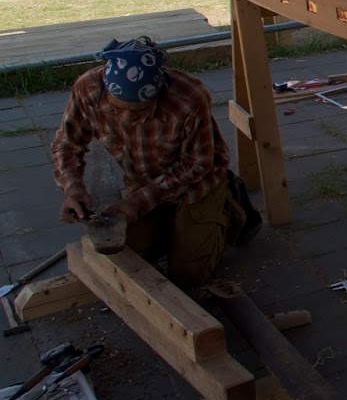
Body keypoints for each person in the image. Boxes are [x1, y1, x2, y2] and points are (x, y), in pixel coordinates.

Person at [50, 37, 261, 286]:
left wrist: (137, 202)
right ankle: (172, 228)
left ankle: (232, 203)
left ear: (157, 94)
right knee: (128, 252)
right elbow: (67, 144)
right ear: (106, 91)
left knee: (187, 275)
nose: (128, 118)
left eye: (139, 111)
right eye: (118, 110)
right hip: (143, 180)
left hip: (196, 183)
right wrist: (72, 187)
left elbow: (197, 162)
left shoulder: (188, 97)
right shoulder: (88, 89)